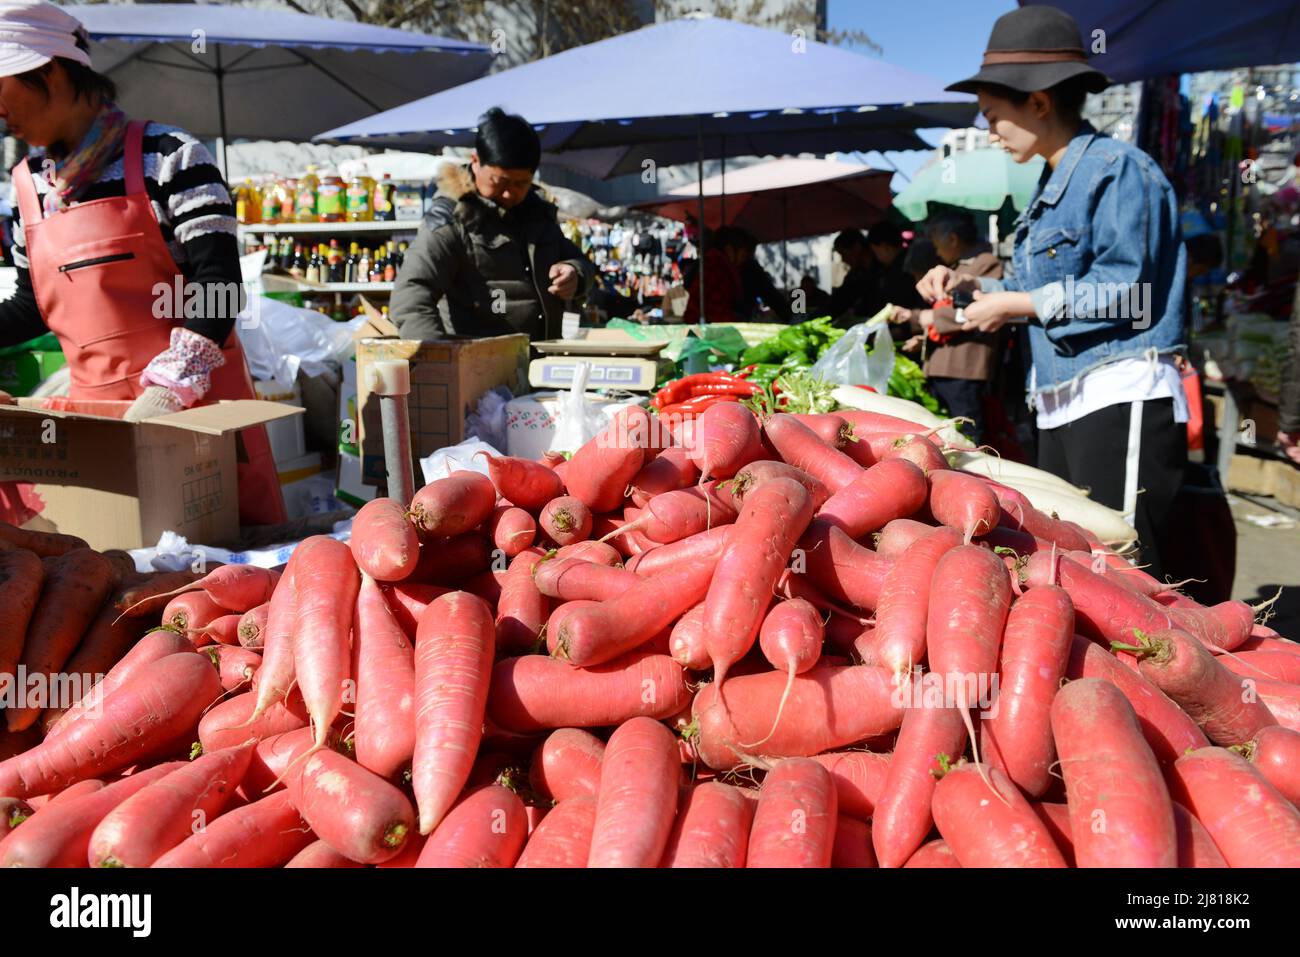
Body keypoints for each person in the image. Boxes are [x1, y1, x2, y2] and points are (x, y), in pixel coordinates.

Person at [919, 5, 1187, 576]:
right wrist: (973, 284)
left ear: (1038, 102)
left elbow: (1128, 288)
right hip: (1061, 394)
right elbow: (1034, 286)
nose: (989, 131)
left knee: (1130, 565)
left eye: (994, 115)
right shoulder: (1049, 185)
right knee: (1083, 557)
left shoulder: (1118, 170)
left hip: (1120, 388)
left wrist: (1016, 303)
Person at [0, 0, 284, 526]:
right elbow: (32, 305)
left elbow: (218, 285)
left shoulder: (171, 157)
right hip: (100, 431)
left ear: (49, 71)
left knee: (223, 578)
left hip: (199, 422)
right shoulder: (27, 188)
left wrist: (171, 390)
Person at [392, 107, 594, 340]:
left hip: (541, 363)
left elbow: (581, 263)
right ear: (476, 161)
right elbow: (410, 297)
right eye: (500, 182)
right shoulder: (451, 219)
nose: (510, 193)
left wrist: (575, 275)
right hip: (477, 368)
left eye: (521, 183)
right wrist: (439, 358)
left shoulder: (538, 213)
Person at [893, 214, 1004, 445]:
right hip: (943, 367)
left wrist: (920, 317)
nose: (935, 251)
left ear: (952, 239)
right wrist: (924, 338)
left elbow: (973, 311)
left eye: (936, 243)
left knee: (967, 436)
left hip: (963, 368)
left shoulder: (984, 263)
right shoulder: (957, 267)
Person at [682, 226, 749, 325]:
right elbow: (718, 313)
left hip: (701, 326)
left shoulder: (714, 264)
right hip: (706, 331)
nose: (743, 260)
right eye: (743, 255)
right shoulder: (717, 268)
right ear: (729, 250)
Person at [828, 229, 876, 325]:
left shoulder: (881, 271)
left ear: (857, 248)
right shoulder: (855, 274)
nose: (843, 259)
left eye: (843, 253)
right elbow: (839, 300)